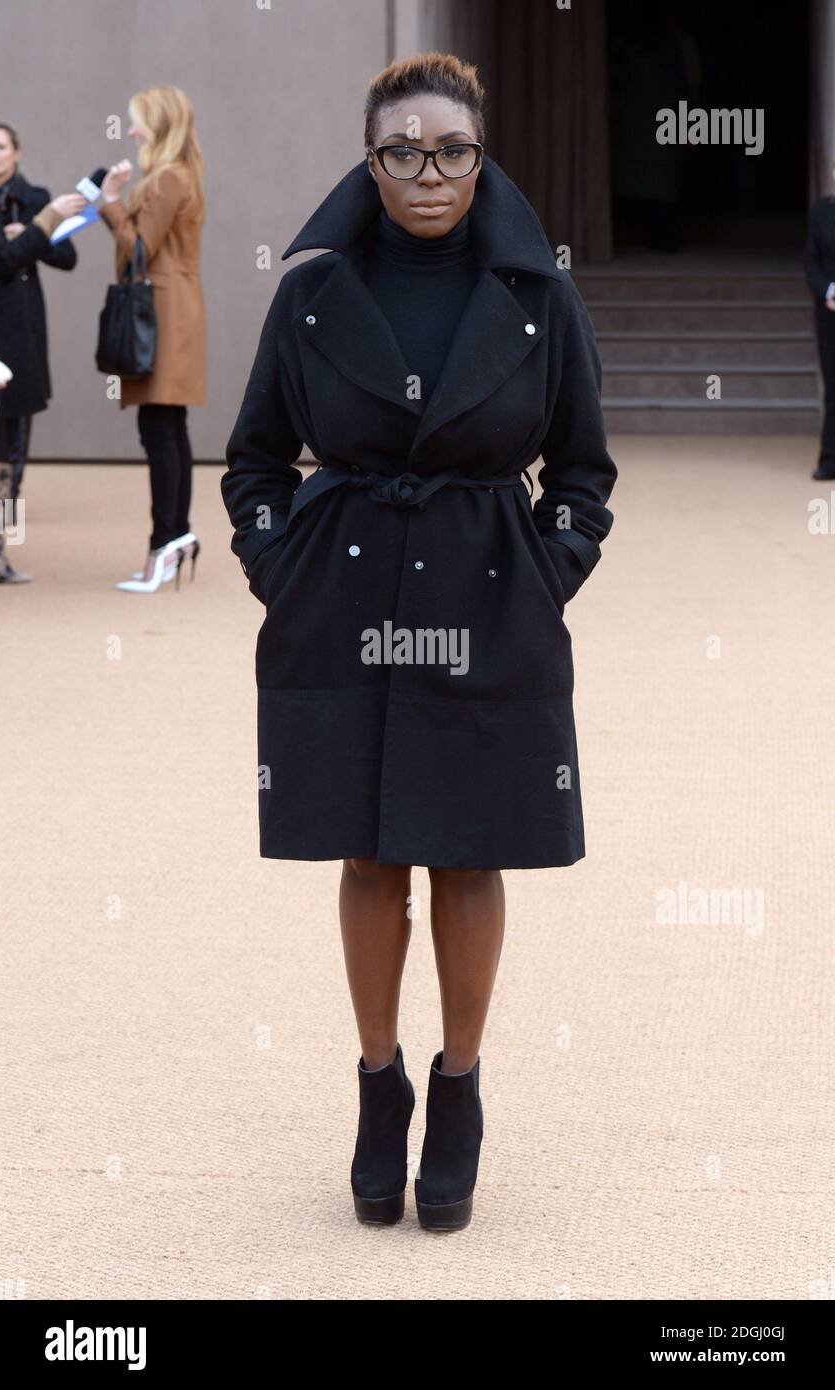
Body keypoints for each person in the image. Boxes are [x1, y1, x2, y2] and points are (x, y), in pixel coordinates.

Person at [221, 53, 617, 1232]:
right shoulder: (310, 294)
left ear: (481, 155)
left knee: (468, 851)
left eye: (451, 150)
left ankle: (459, 1088)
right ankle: (377, 1083)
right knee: (368, 853)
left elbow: (584, 473)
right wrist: (275, 564)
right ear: (371, 158)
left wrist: (543, 576)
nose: (428, 173)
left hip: (488, 605)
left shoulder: (542, 298)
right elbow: (253, 462)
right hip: (341, 606)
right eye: (403, 151)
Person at [98, 85, 205, 591]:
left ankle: (166, 542)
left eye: (138, 121)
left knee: (159, 430)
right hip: (173, 308)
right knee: (168, 428)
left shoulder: (167, 178)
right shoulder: (181, 174)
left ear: (159, 125)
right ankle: (175, 537)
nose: (133, 129)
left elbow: (138, 249)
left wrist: (111, 203)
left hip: (160, 312)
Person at [0, 120, 82, 583]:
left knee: (14, 450)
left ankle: (1, 550)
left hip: (21, 336)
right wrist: (37, 230)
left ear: (18, 152)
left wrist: (29, 233)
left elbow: (66, 257)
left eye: (1, 146)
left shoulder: (35, 196)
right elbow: (0, 260)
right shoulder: (43, 210)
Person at [803, 161, 835, 480]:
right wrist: (829, 289)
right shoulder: (822, 212)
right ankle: (830, 458)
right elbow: (811, 261)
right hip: (830, 312)